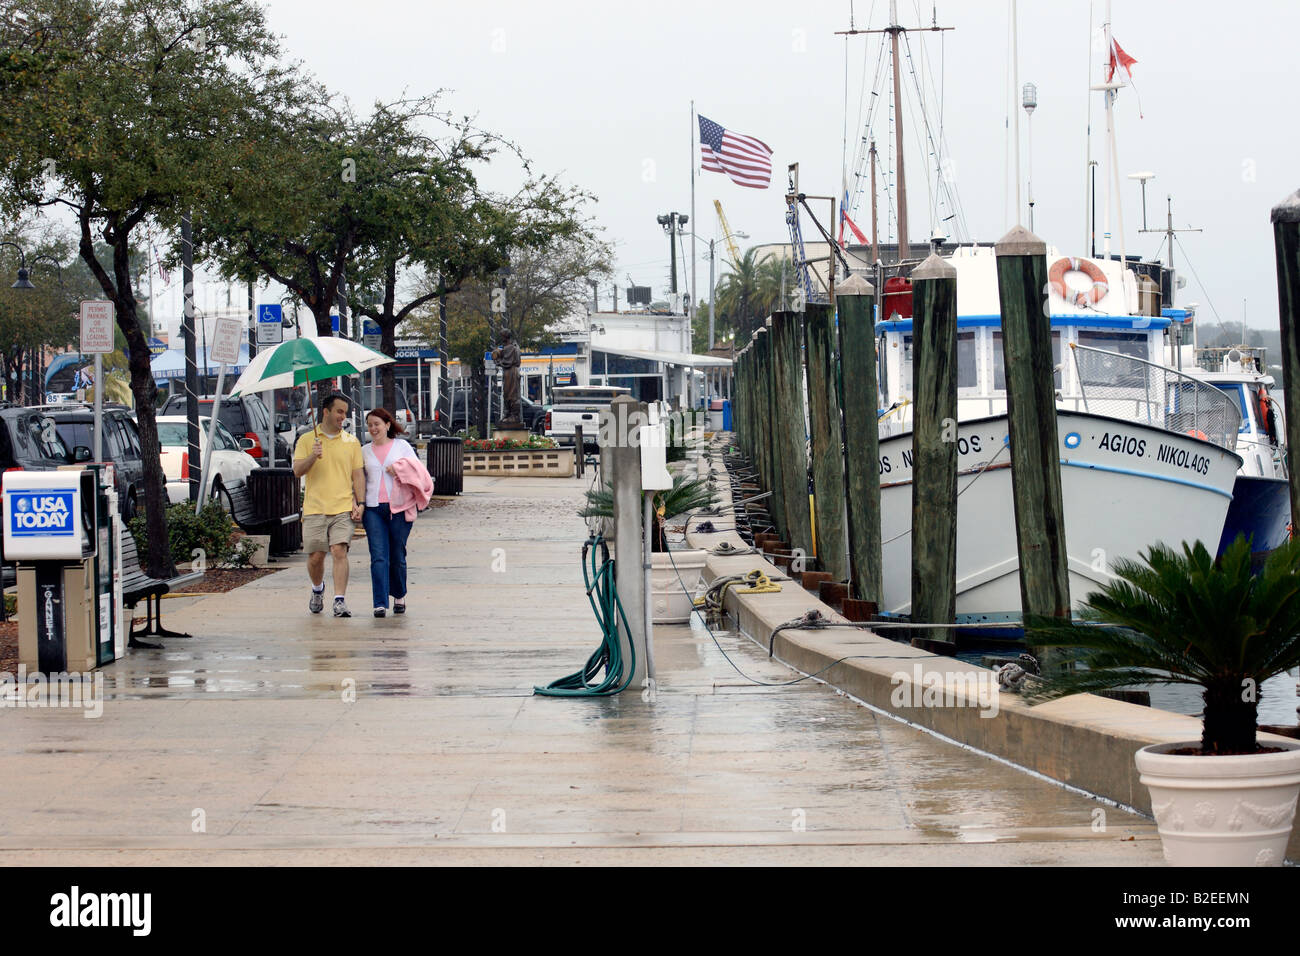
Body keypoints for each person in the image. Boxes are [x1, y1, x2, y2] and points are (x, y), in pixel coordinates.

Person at [293, 391, 365, 617]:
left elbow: (358, 475)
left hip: (342, 507)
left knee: (339, 550)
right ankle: (317, 589)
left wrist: (360, 502)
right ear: (325, 412)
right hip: (315, 508)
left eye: (345, 412)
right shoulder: (306, 440)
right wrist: (313, 456)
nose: (342, 417)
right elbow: (297, 471)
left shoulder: (351, 442)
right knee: (316, 557)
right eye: (339, 412)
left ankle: (339, 600)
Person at [361, 408, 423, 617]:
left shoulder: (401, 446)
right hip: (373, 509)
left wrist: (399, 469)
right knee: (378, 556)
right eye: (370, 425)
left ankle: (399, 595)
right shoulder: (364, 451)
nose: (373, 428)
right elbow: (358, 479)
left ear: (387, 424)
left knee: (397, 554)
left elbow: (418, 471)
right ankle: (379, 602)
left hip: (399, 508)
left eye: (377, 424)